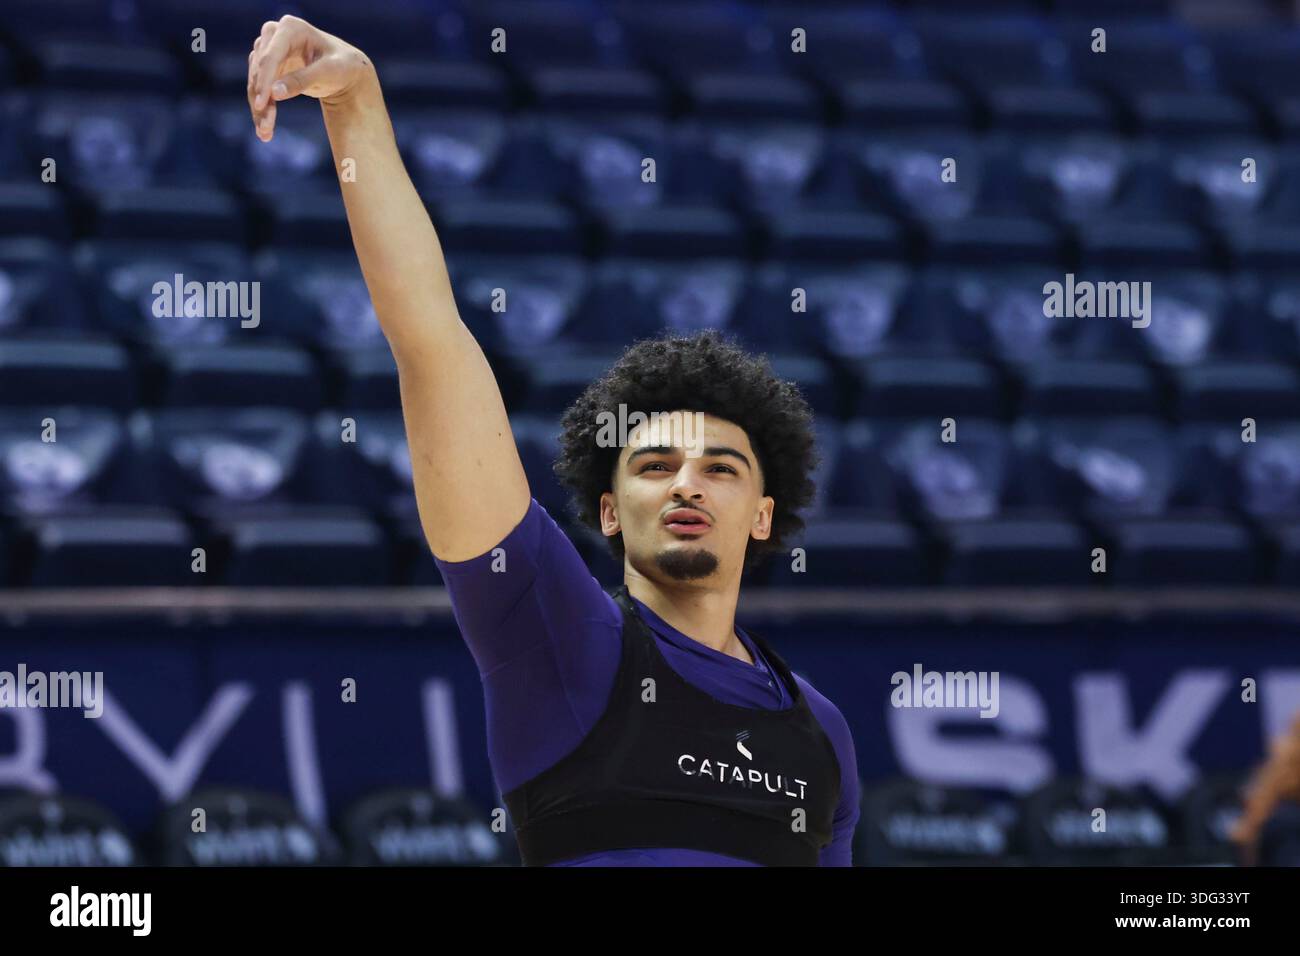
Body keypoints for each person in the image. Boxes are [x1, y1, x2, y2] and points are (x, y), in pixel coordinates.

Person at [246, 15, 859, 866]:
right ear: (609, 508)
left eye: (720, 468)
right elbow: (430, 338)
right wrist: (356, 103)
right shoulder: (559, 633)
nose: (687, 485)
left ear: (763, 513)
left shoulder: (819, 728)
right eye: (654, 465)